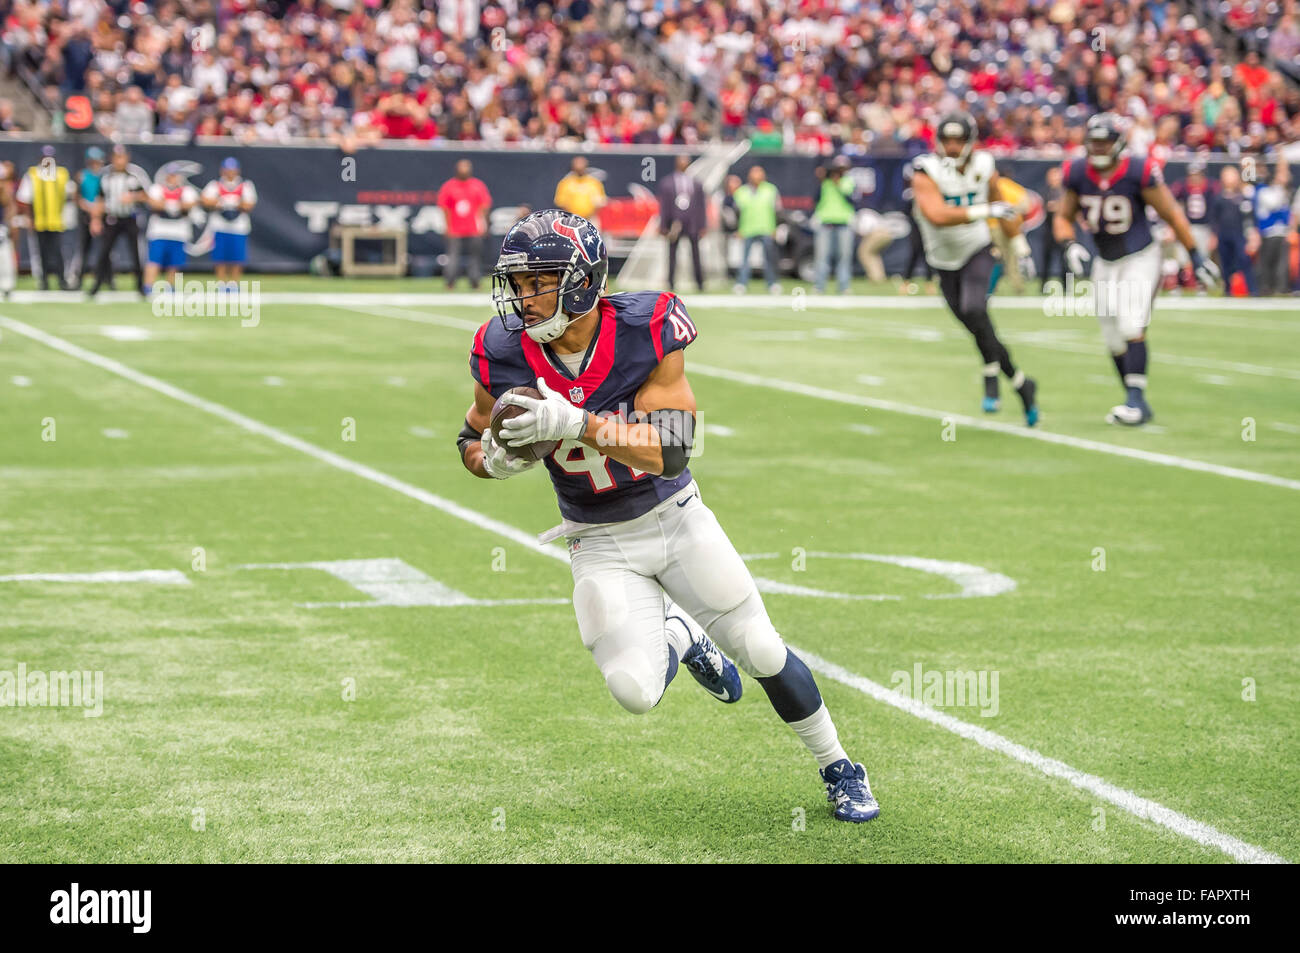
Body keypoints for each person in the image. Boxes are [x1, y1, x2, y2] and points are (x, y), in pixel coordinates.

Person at [457, 209, 881, 824]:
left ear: (579, 280)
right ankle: (682, 635)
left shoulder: (644, 328)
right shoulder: (501, 351)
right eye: (517, 285)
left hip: (674, 518)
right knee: (631, 690)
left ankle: (839, 765)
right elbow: (468, 438)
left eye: (537, 282)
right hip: (596, 537)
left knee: (761, 649)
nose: (523, 299)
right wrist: (492, 462)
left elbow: (674, 448)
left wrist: (578, 424)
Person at [1054, 113, 1221, 427]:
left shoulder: (1137, 170)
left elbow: (1170, 211)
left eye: (1105, 142)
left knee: (1132, 323)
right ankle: (1135, 400)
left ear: (1118, 144)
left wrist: (1195, 255)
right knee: (1113, 338)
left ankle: (1134, 401)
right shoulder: (1077, 172)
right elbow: (1063, 215)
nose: (1099, 149)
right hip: (1105, 259)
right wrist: (1069, 245)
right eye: (1094, 142)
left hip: (1141, 255)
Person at [911, 111, 1039, 425]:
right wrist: (985, 209)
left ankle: (991, 379)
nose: (952, 146)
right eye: (947, 139)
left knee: (974, 308)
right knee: (977, 326)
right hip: (943, 260)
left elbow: (1004, 209)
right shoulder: (924, 170)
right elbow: (937, 216)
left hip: (977, 249)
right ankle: (1021, 383)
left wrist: (1020, 247)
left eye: (958, 139)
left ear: (970, 141)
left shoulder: (984, 165)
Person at [87, 145, 148, 298]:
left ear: (127, 158)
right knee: (104, 252)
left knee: (136, 253)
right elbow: (99, 200)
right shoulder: (106, 177)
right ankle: (97, 285)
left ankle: (140, 286)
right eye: (117, 157)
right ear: (112, 159)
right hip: (112, 218)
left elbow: (145, 196)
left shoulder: (134, 176)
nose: (120, 161)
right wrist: (95, 219)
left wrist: (132, 197)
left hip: (129, 218)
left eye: (122, 157)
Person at [15, 145, 74, 291]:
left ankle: (62, 280)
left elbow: (69, 195)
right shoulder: (33, 174)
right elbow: (24, 199)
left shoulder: (61, 173)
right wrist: (29, 218)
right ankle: (44, 282)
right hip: (39, 221)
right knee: (41, 253)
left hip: (57, 220)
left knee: (58, 251)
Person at [202, 157, 258, 288]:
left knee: (237, 257)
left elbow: (249, 204)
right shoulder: (215, 184)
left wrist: (227, 201)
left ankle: (234, 284)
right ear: (222, 170)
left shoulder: (245, 185)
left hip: (238, 227)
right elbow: (205, 200)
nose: (230, 173)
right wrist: (228, 202)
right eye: (227, 170)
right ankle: (221, 283)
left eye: (232, 170)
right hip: (220, 225)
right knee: (220, 257)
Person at [437, 158, 492, 289]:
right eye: (462, 167)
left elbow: (484, 206)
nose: (464, 170)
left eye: (466, 167)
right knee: (453, 257)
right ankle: (450, 282)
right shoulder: (449, 186)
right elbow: (444, 208)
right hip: (455, 229)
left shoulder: (477, 185)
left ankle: (475, 282)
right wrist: (447, 226)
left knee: (475, 257)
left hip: (474, 228)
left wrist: (483, 224)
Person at [655, 155, 707, 293]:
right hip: (675, 223)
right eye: (681, 161)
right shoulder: (667, 182)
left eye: (686, 161)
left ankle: (700, 283)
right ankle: (671, 282)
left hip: (693, 223)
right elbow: (664, 206)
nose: (684, 164)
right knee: (672, 254)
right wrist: (664, 226)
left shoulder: (696, 183)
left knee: (696, 254)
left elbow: (701, 206)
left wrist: (703, 225)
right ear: (676, 163)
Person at [144, 166, 199, 293]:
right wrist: (177, 204)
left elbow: (190, 204)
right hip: (159, 231)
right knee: (154, 260)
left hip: (179, 232)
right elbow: (153, 203)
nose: (173, 178)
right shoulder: (157, 188)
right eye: (171, 175)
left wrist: (166, 203)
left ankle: (170, 286)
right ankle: (148, 286)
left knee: (175, 262)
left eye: (175, 175)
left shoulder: (187, 190)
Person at [729, 164, 781, 294]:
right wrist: (738, 229)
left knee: (769, 259)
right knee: (745, 259)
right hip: (747, 229)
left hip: (766, 228)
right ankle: (741, 283)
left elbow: (778, 211)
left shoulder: (770, 190)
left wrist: (775, 228)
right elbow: (736, 212)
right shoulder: (742, 191)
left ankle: (772, 283)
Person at [812, 156, 857, 294]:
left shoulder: (848, 182)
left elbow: (851, 199)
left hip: (843, 222)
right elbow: (816, 199)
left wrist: (838, 184)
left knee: (844, 256)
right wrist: (821, 179)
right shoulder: (825, 183)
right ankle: (819, 286)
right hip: (826, 222)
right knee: (822, 256)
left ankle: (843, 286)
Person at [1211, 166, 1257, 297]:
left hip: (1239, 235)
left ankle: (1252, 289)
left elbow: (1249, 219)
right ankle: (1227, 290)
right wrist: (1214, 235)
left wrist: (1252, 236)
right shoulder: (1219, 198)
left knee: (1244, 261)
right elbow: (1214, 219)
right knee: (1226, 264)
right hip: (1223, 235)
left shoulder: (1243, 197)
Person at [1253, 162, 1292, 296]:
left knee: (1281, 263)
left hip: (1281, 231)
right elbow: (1274, 205)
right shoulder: (1264, 191)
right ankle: (1266, 287)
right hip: (1268, 231)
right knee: (1267, 261)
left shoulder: (1282, 190)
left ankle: (1280, 287)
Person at [73, 146, 105, 288]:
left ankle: (107, 279)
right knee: (84, 249)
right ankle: (78, 279)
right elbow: (77, 196)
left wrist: (97, 213)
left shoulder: (104, 176)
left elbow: (104, 197)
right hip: (86, 215)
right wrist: (89, 208)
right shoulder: (82, 175)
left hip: (102, 215)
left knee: (105, 250)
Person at [553, 156, 606, 222]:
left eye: (582, 164)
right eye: (577, 164)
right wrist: (571, 216)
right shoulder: (566, 183)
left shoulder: (594, 182)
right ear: (572, 167)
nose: (580, 167)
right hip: (571, 219)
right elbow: (561, 202)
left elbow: (600, 202)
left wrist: (590, 215)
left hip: (590, 219)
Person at [0, 163, 16, 298]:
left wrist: (6, 225)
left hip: (0, 227)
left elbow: (10, 206)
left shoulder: (4, 189)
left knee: (4, 257)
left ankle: (6, 285)